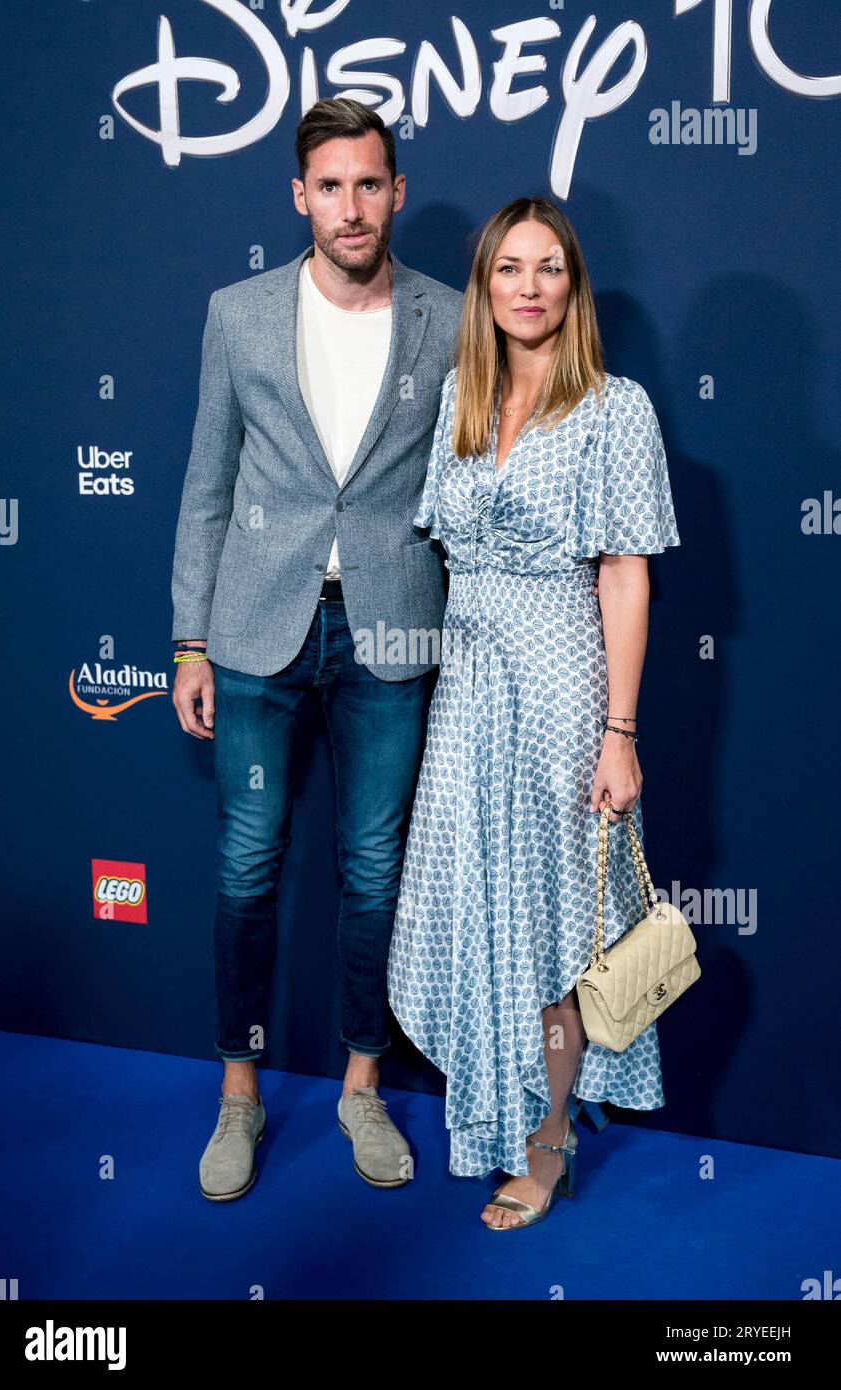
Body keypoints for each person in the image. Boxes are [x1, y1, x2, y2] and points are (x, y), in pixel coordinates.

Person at [170, 97, 463, 1200]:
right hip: (254, 627)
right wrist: (190, 638)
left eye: (369, 183)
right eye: (329, 185)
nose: (351, 205)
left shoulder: (446, 316)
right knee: (247, 863)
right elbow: (205, 486)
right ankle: (237, 1095)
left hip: (391, 628)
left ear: (396, 192)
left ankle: (359, 1085)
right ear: (300, 196)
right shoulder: (237, 313)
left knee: (372, 871)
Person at [387, 196, 682, 1230]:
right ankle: (493, 1108)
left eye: (546, 267)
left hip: (564, 688)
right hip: (466, 691)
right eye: (507, 267)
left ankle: (546, 1142)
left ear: (571, 285)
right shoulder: (459, 405)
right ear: (484, 287)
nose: (526, 285)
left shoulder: (613, 406)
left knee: (557, 925)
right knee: (473, 909)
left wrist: (619, 732)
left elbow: (624, 580)